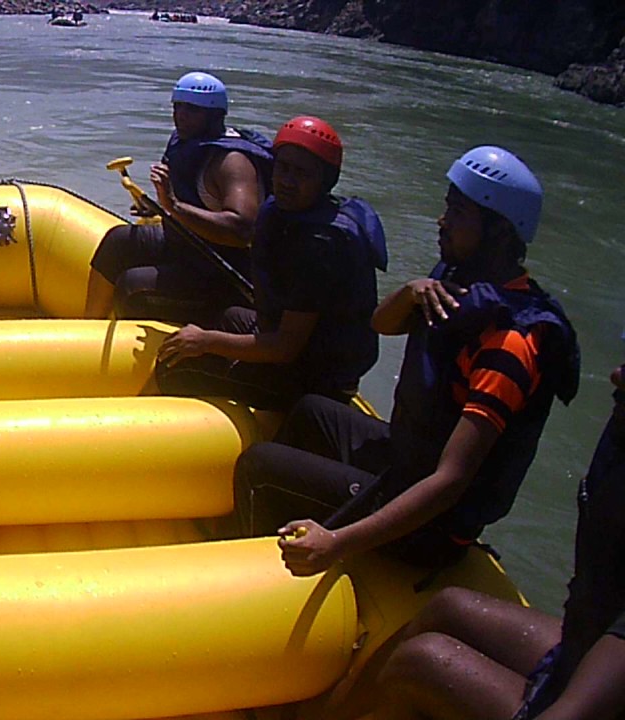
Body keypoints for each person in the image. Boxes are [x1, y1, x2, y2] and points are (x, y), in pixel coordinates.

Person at [235, 145, 580, 574]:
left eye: (457, 213)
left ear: (498, 231)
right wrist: (411, 290)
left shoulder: (510, 343)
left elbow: (451, 479)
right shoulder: (456, 283)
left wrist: (337, 542)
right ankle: (288, 523)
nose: (442, 221)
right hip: (406, 460)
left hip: (430, 525)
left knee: (259, 465)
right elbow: (381, 323)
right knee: (311, 412)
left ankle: (262, 577)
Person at [377, 350, 625, 720]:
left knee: (419, 662)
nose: (616, 374)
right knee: (449, 607)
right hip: (579, 645)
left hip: (599, 695)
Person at [154, 116, 387, 410]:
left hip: (314, 378)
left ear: (324, 180)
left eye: (302, 173)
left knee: (180, 369)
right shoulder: (283, 212)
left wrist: (205, 341)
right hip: (294, 344)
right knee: (229, 316)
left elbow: (285, 347)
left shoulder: (320, 245)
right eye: (282, 167)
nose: (287, 181)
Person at [84, 71, 274, 321]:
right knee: (118, 241)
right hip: (186, 245)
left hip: (220, 269)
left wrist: (173, 207)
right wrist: (157, 208)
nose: (180, 116)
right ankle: (89, 324)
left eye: (192, 109)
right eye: (178, 106)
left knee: (133, 285)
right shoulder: (186, 140)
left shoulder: (232, 161)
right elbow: (188, 203)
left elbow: (242, 230)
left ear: (216, 115)